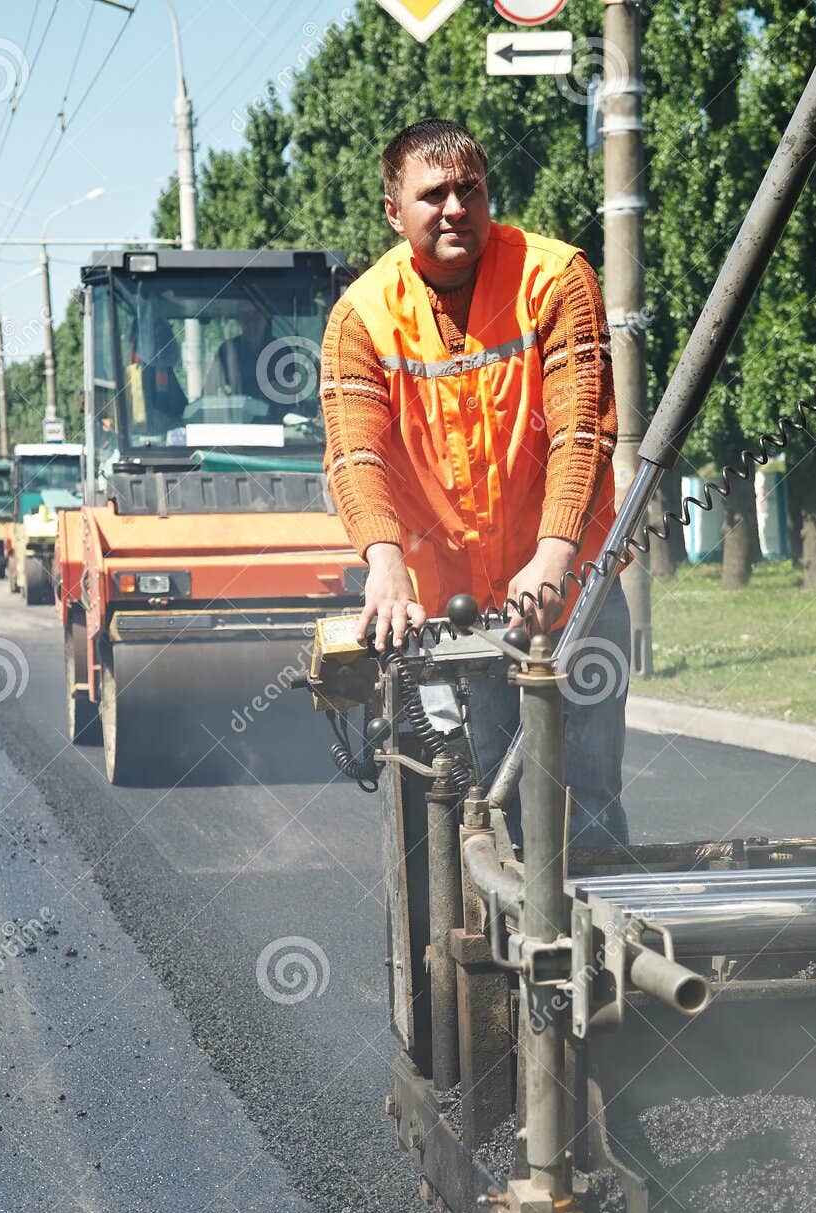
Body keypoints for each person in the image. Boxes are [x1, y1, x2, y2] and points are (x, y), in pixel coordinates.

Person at [321, 118, 631, 852]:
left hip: (572, 588)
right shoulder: (360, 316)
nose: (455, 207)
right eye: (433, 195)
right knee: (479, 799)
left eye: (471, 189)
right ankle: (486, 957)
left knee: (585, 799)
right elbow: (354, 457)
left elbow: (581, 433)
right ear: (393, 212)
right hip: (448, 612)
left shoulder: (556, 278)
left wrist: (554, 559)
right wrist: (385, 565)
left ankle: (587, 952)